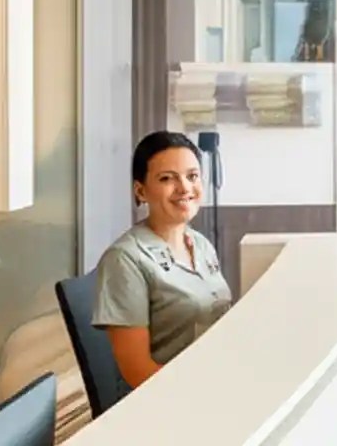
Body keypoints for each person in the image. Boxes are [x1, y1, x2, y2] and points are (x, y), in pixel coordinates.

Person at [92, 131, 232, 388]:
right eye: (167, 178)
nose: (185, 188)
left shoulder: (200, 245)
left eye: (192, 176)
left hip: (214, 381)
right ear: (141, 190)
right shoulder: (125, 259)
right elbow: (138, 372)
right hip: (170, 402)